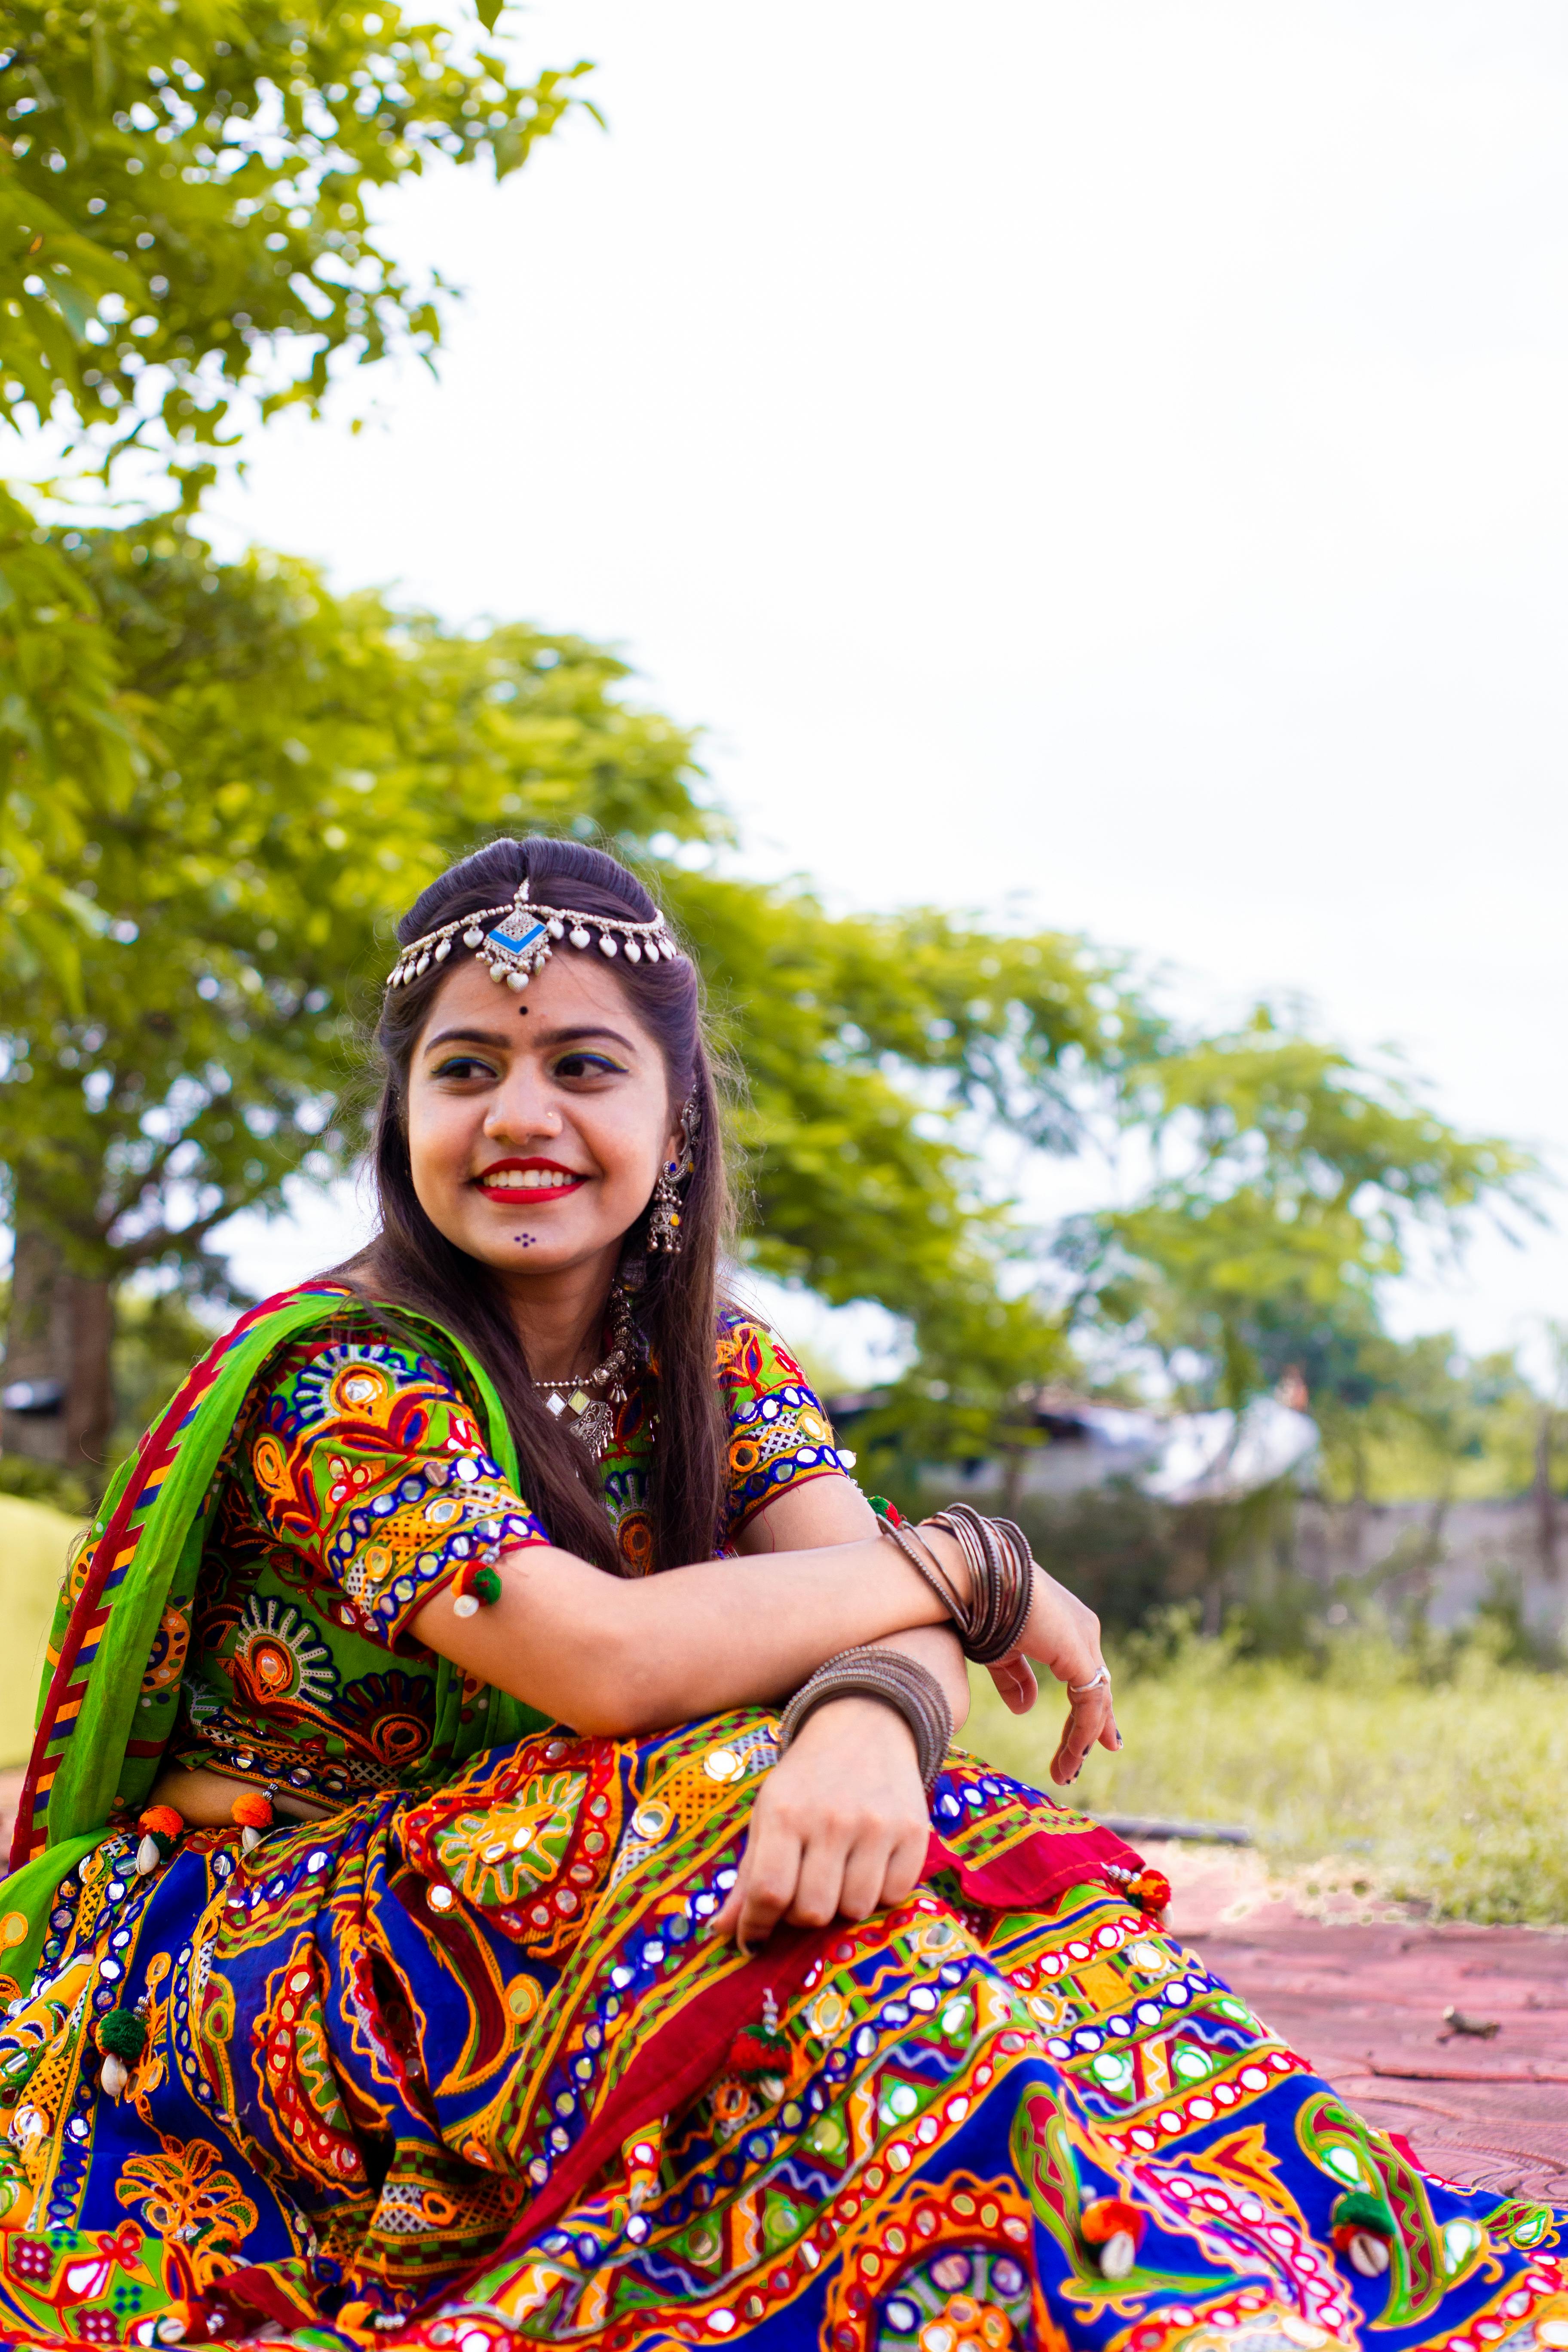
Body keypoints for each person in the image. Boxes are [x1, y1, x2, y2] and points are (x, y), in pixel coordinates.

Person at [0, 838, 1559, 2352]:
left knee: (924, 1832)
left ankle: (1228, 2242)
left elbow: (877, 1615)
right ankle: (1010, 2266)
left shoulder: (712, 1366)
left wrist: (873, 1727)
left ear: (676, 1124)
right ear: (401, 1117)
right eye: (465, 1069)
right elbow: (605, 1663)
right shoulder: (346, 1376)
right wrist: (967, 1562)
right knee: (717, 1799)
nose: (518, 1115)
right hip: (253, 1968)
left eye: (584, 1068)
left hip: (532, 1899)